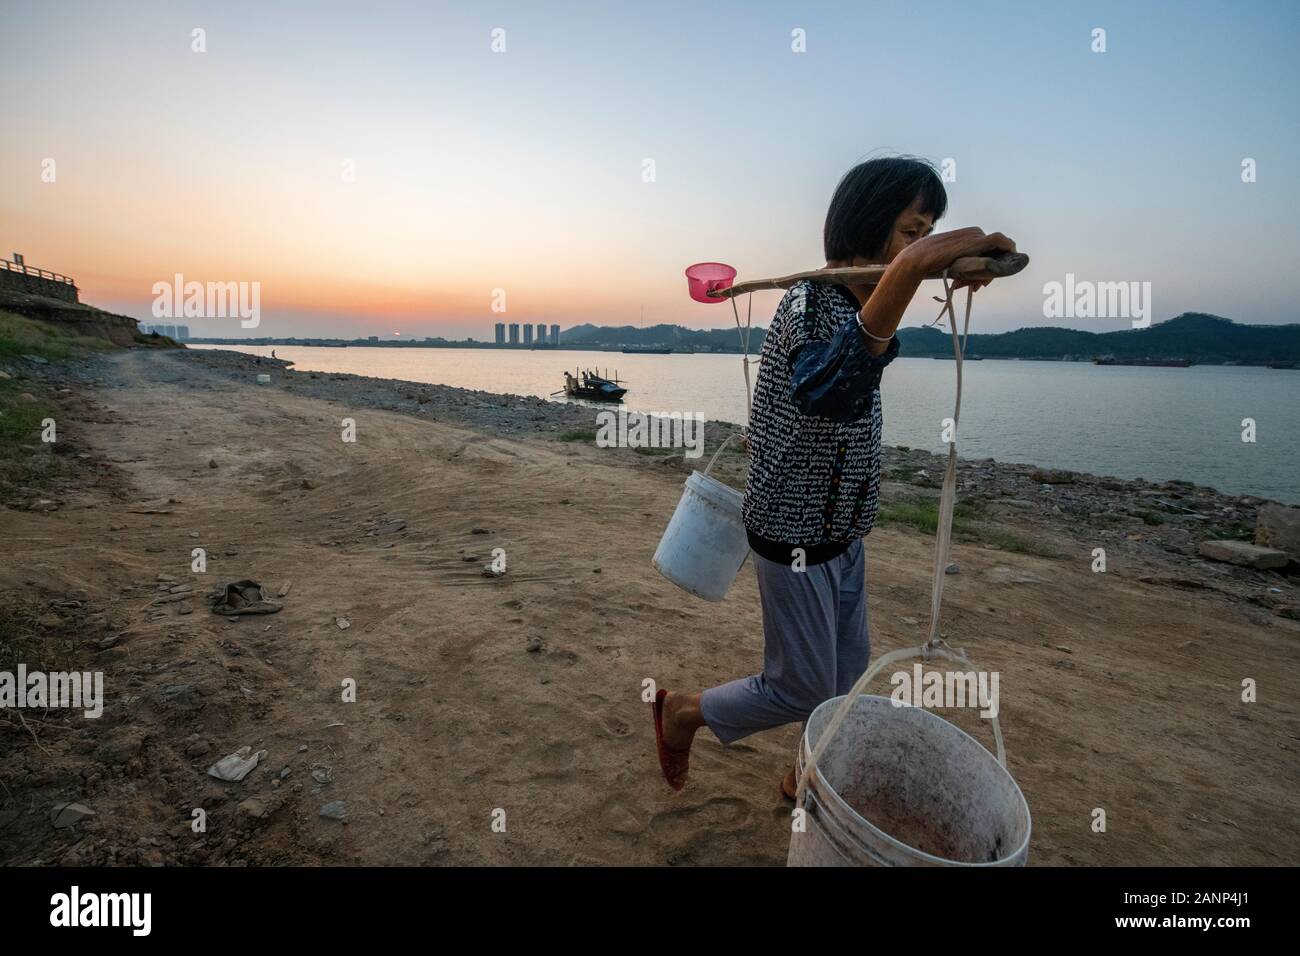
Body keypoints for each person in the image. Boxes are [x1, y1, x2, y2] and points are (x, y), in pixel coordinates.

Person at [651, 156, 1016, 798]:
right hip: (792, 538)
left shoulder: (859, 304)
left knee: (845, 684)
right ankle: (684, 711)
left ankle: (806, 775)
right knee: (802, 686)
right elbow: (829, 390)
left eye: (929, 231)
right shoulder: (810, 303)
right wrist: (910, 270)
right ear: (867, 226)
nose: (922, 245)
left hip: (844, 537)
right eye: (912, 230)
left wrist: (936, 263)